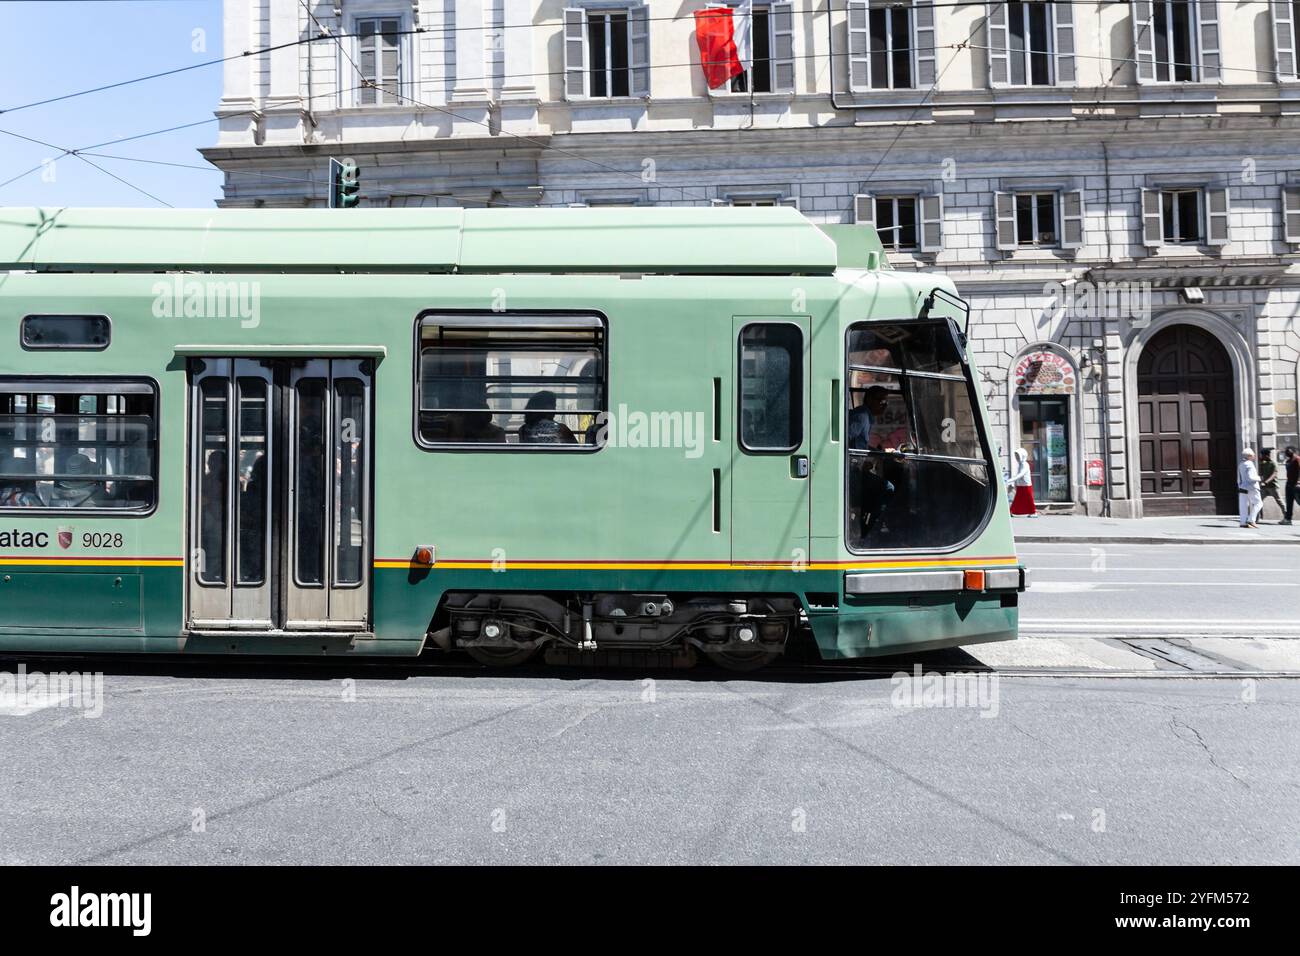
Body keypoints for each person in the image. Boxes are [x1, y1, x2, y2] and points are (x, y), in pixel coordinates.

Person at [1238, 447, 1262, 529]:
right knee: (1259, 503)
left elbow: (1239, 477)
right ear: (1249, 456)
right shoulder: (1250, 464)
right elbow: (1251, 477)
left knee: (1243, 505)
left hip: (1242, 487)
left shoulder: (1241, 464)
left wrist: (1239, 485)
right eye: (1252, 455)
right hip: (1252, 487)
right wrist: (1259, 478)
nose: (1254, 456)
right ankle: (1251, 519)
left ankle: (1243, 522)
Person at [1008, 448, 1037, 516]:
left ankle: (1033, 512)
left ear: (1022, 455)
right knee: (1018, 499)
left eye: (1018, 456)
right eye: (1016, 456)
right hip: (1021, 485)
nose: (1016, 458)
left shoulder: (1025, 464)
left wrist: (1010, 480)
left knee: (1029, 499)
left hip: (1026, 485)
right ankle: (1013, 511)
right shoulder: (1021, 464)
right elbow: (1018, 474)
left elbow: (1021, 474)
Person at [1259, 448, 1283, 522]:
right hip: (1264, 487)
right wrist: (1261, 464)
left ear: (1266, 455)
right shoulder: (1263, 463)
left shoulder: (1273, 463)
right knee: (1258, 501)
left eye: (1262, 455)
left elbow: (1274, 474)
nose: (1261, 456)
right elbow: (1260, 474)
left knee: (1280, 501)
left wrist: (1265, 482)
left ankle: (1287, 517)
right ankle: (1255, 518)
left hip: (1273, 486)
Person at [1283, 446, 1298, 526]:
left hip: (1296, 484)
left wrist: (1299, 482)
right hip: (1289, 483)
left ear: (1293, 451)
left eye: (1288, 451)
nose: (1286, 452)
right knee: (1289, 502)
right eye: (1286, 451)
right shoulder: (1288, 461)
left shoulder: (1297, 459)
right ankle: (1288, 519)